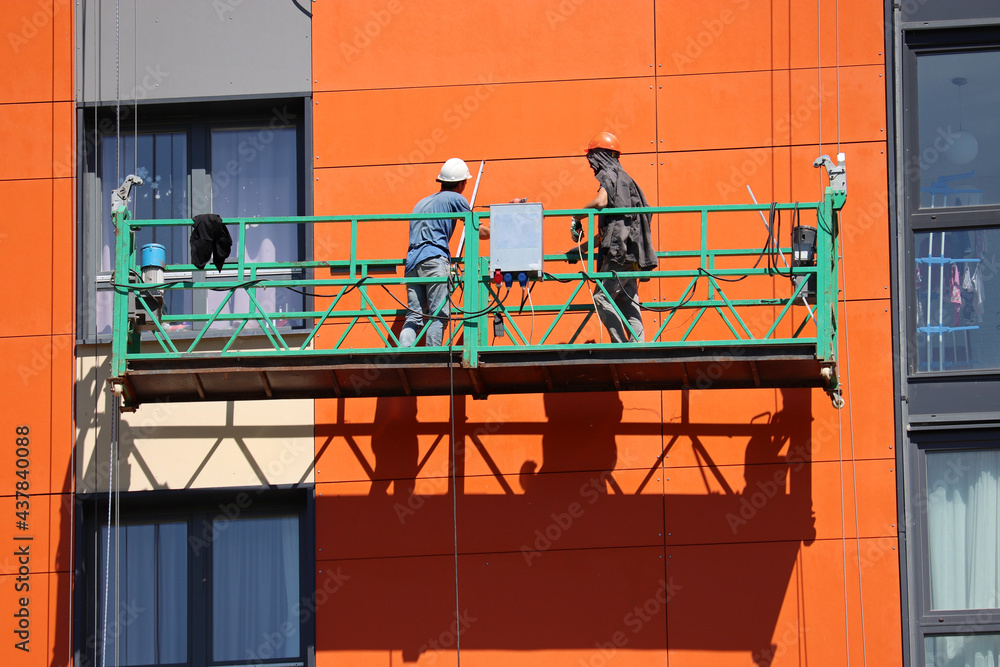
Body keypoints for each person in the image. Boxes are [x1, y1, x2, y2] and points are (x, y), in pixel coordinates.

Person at [570, 132, 658, 343]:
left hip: (620, 256)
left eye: (591, 158)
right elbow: (613, 230)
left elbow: (600, 202)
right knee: (627, 300)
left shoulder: (610, 175)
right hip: (633, 254)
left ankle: (620, 346)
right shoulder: (627, 181)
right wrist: (581, 250)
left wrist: (576, 215)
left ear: (600, 156)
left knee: (602, 297)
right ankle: (639, 345)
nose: (591, 165)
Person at [400, 158, 489, 347]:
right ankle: (434, 353)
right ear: (463, 183)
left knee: (414, 314)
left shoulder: (421, 203)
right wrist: (502, 229)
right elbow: (478, 231)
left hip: (412, 263)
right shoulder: (455, 198)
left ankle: (404, 351)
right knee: (438, 313)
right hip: (434, 260)